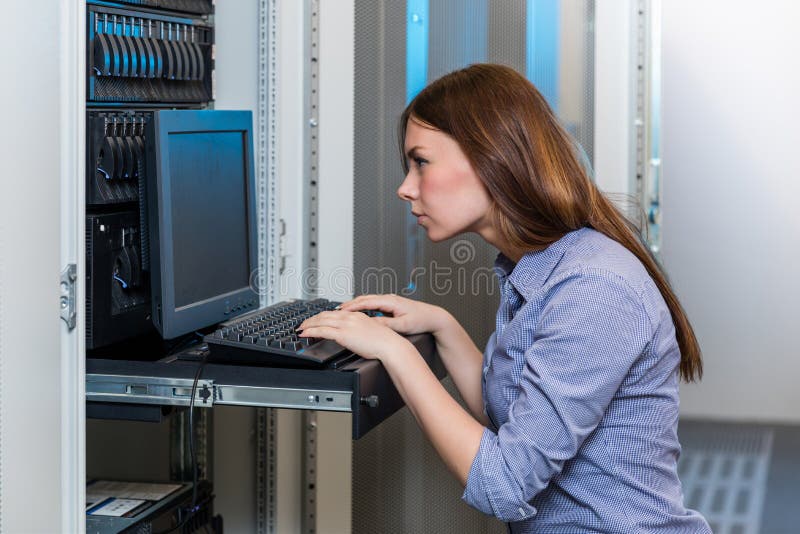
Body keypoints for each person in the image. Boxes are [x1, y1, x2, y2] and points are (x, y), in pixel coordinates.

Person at [298, 63, 711, 533]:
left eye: (421, 162)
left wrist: (393, 353)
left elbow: (505, 484)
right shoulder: (537, 267)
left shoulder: (593, 289)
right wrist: (443, 327)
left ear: (490, 157)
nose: (405, 187)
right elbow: (515, 419)